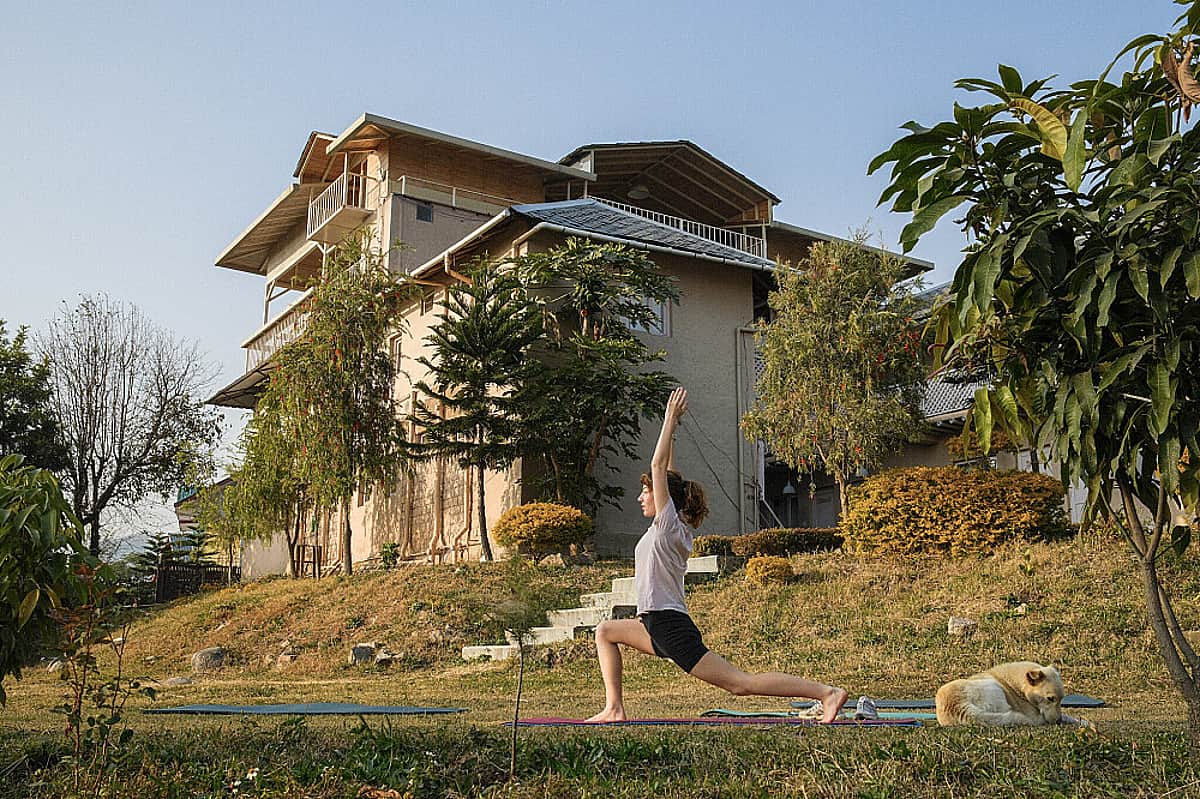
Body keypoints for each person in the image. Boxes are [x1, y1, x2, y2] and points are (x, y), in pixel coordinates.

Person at [585, 386, 849, 724]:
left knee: (741, 685)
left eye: (646, 490)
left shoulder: (668, 526)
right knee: (605, 630)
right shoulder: (670, 525)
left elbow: (657, 465)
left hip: (669, 626)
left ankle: (826, 693)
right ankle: (614, 708)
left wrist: (667, 419)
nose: (641, 496)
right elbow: (667, 470)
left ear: (664, 498)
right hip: (652, 623)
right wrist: (675, 428)